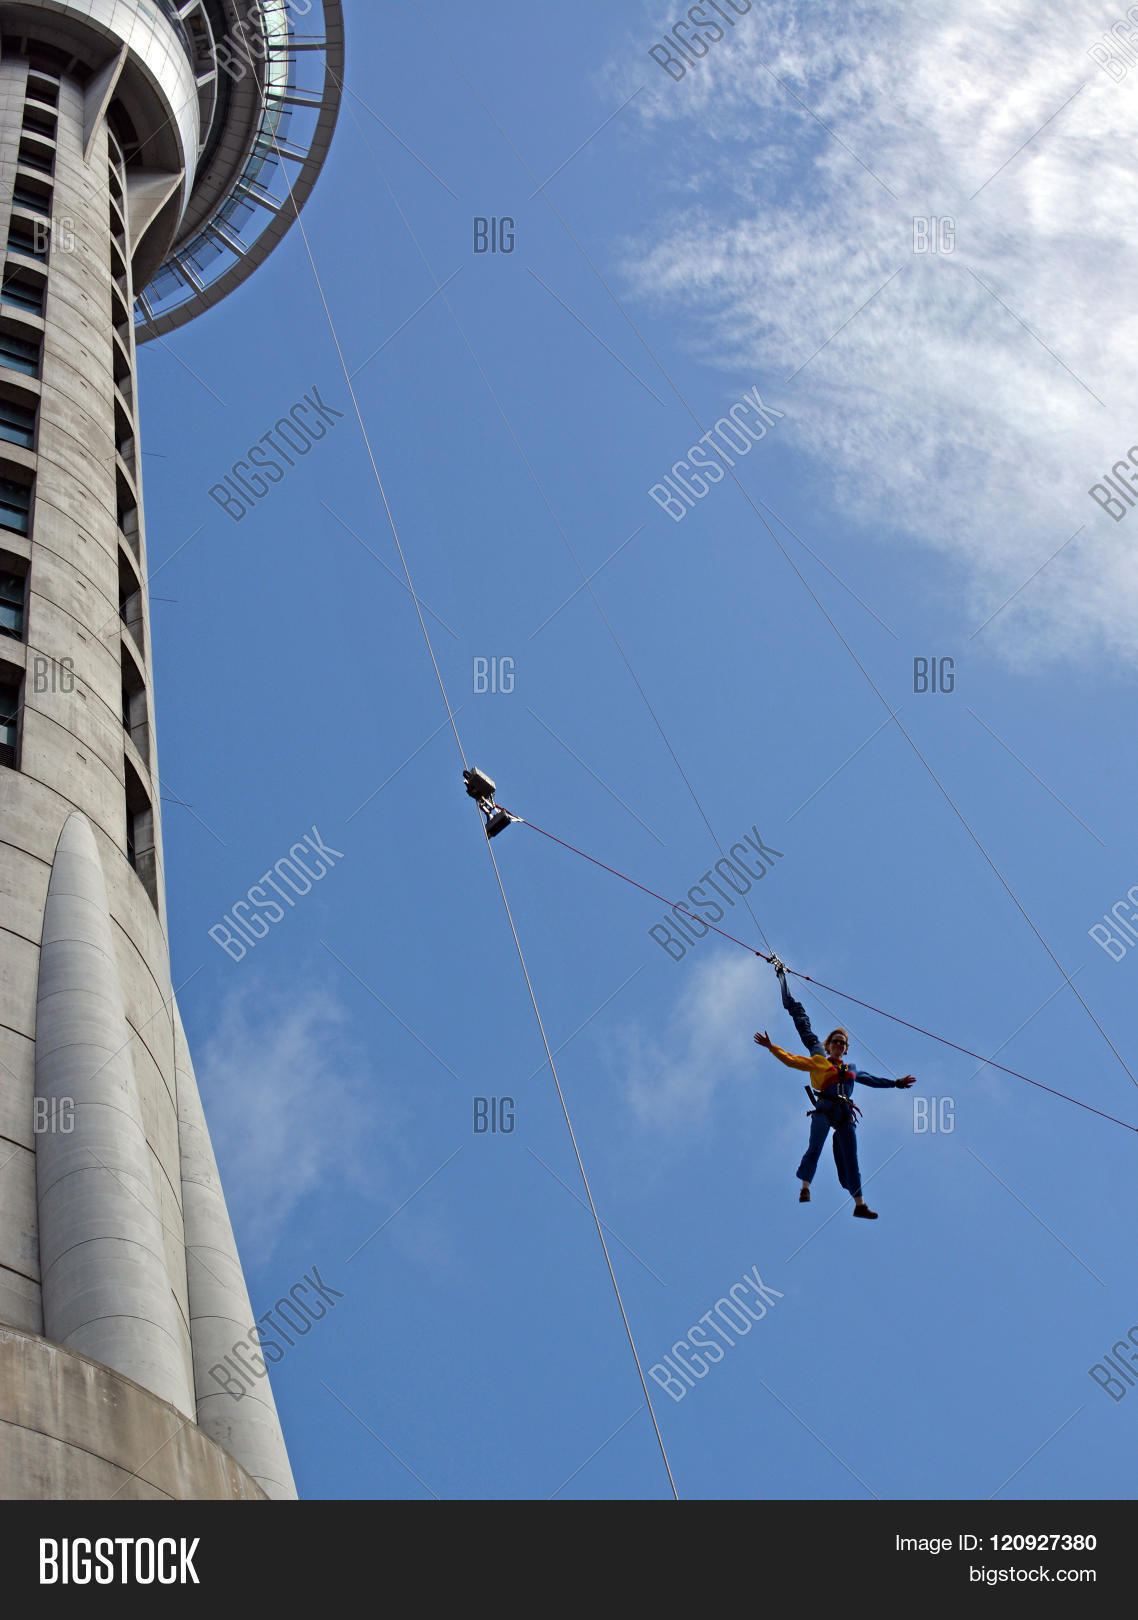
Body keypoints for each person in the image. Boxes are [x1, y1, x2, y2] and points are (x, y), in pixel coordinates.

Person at [753, 966, 916, 1218]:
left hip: (844, 1113)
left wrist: (896, 1083)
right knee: (815, 1147)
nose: (839, 1045)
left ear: (846, 1049)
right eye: (835, 1041)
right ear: (829, 1045)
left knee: (852, 1158)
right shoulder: (820, 1060)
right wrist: (772, 1047)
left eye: (843, 1043)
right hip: (825, 1108)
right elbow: (792, 1059)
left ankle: (859, 1204)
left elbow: (871, 1080)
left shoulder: (851, 1069)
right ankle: (805, 1186)